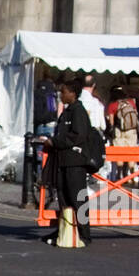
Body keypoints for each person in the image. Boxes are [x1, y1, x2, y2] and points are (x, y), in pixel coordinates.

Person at [45, 77, 92, 249]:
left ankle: (84, 234)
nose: (60, 95)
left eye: (63, 92)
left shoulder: (78, 112)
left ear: (72, 93)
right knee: (64, 198)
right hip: (63, 161)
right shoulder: (67, 111)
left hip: (75, 162)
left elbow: (78, 135)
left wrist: (55, 142)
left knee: (78, 198)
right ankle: (65, 231)